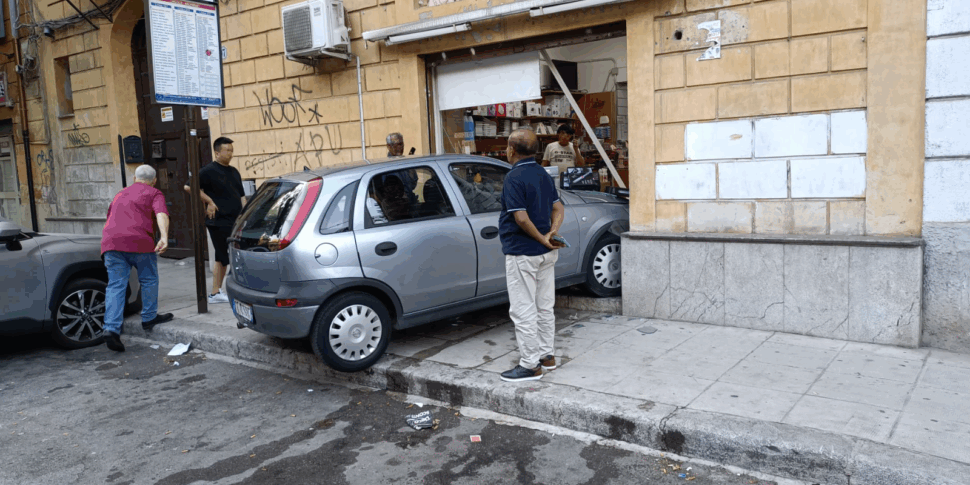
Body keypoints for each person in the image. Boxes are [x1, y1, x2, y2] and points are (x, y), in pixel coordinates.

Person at [499, 128, 566, 382]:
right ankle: (547, 357)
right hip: (545, 255)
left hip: (523, 253)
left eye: (507, 147)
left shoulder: (513, 178)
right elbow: (558, 208)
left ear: (511, 150)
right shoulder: (542, 173)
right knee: (544, 306)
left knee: (523, 310)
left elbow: (520, 217)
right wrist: (551, 234)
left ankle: (530, 365)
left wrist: (541, 238)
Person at [100, 164, 173, 352]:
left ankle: (111, 329)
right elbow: (161, 214)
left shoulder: (120, 193)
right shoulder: (154, 193)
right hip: (140, 242)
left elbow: (110, 217)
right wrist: (164, 237)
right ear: (154, 181)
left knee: (116, 285)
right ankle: (148, 318)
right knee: (148, 279)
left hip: (111, 243)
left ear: (134, 178)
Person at [183, 137, 245, 304]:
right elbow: (188, 186)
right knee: (222, 256)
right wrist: (208, 201)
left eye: (232, 150)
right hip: (218, 221)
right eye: (227, 151)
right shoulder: (208, 170)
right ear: (217, 153)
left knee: (229, 256)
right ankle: (215, 292)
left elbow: (241, 196)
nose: (231, 154)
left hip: (235, 220)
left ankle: (221, 290)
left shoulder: (234, 171)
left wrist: (245, 215)